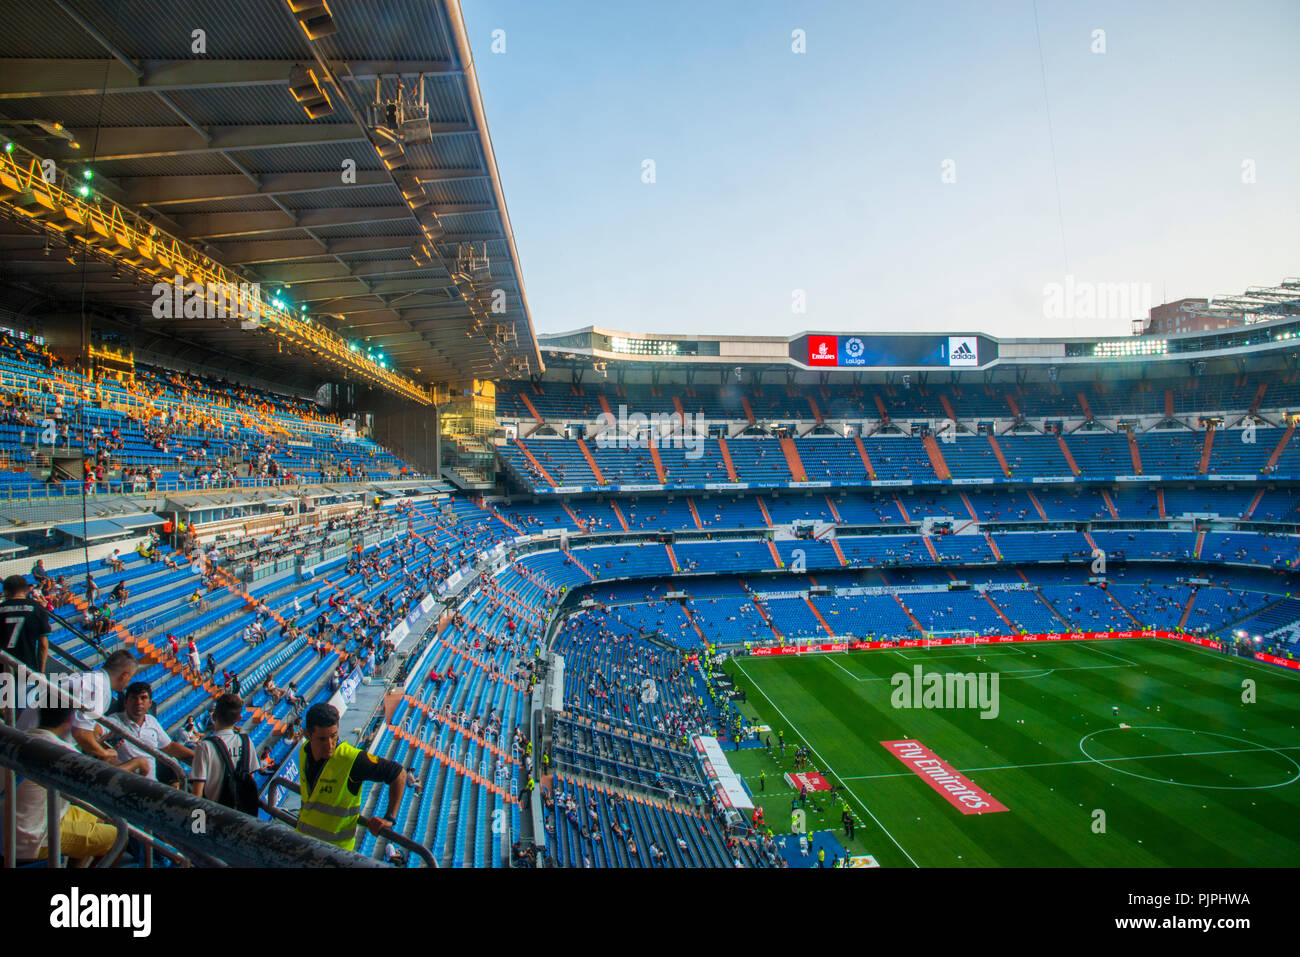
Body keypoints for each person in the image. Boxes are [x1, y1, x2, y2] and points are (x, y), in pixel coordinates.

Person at [3, 707, 146, 865]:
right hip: (31, 838)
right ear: (69, 721)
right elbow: (104, 782)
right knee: (119, 836)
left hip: (11, 825)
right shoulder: (65, 753)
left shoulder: (14, 740)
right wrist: (136, 762)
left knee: (97, 814)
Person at [295, 702, 412, 851]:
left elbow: (398, 774)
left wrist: (389, 818)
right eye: (322, 739)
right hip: (303, 843)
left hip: (336, 852)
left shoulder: (351, 759)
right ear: (307, 735)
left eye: (334, 736)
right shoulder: (304, 752)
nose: (330, 744)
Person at [107, 681, 194, 782]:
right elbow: (94, 732)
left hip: (151, 784)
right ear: (126, 702)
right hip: (125, 782)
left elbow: (169, 746)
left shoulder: (151, 721)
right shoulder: (114, 721)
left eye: (143, 698)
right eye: (134, 698)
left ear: (149, 703)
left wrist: (196, 756)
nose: (138, 702)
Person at [191, 693, 258, 812]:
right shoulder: (246, 742)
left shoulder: (204, 747)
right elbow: (249, 781)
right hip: (241, 818)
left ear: (214, 717)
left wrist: (197, 827)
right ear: (239, 719)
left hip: (215, 815)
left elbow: (197, 794)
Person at [0, 573, 51, 673]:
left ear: (6, 591)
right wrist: (41, 672)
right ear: (26, 590)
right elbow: (43, 645)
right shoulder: (37, 608)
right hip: (28, 669)